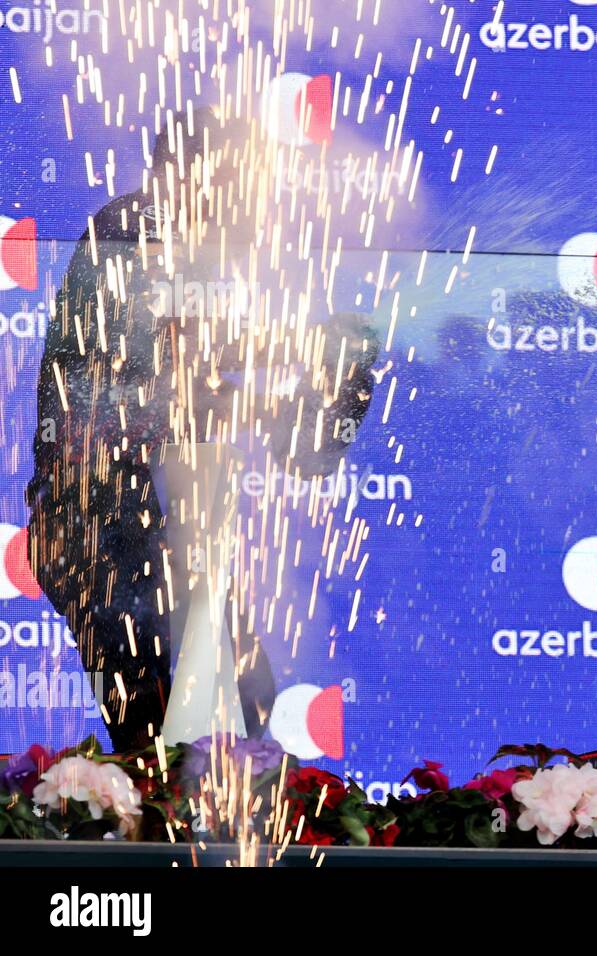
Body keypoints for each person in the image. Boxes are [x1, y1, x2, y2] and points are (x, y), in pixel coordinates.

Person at [26, 107, 378, 752]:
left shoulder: (209, 252)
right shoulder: (131, 231)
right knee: (159, 721)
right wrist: (286, 363)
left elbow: (297, 449)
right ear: (187, 174)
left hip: (156, 526)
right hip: (97, 527)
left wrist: (335, 373)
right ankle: (152, 835)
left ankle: (200, 830)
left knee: (239, 703)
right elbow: (150, 376)